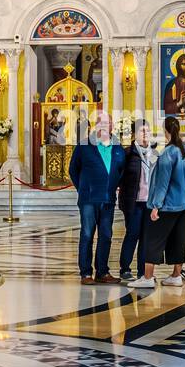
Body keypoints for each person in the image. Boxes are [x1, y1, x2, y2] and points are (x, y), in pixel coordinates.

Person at [130, 116, 185, 291]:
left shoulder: (167, 153)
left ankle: (148, 277)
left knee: (154, 239)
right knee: (178, 240)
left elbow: (162, 182)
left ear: (165, 131)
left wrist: (156, 205)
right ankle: (176, 275)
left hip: (168, 205)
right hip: (184, 203)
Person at [68, 111, 126, 285]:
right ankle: (86, 273)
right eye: (101, 122)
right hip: (88, 199)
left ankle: (102, 271)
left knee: (106, 235)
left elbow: (121, 170)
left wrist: (114, 184)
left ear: (112, 126)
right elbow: (73, 170)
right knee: (87, 234)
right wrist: (83, 188)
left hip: (108, 199)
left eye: (107, 123)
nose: (104, 126)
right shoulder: (84, 145)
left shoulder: (117, 147)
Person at [117, 120, 157, 282]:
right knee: (132, 234)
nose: (146, 133)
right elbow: (120, 176)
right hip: (133, 201)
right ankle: (125, 268)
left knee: (146, 237)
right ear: (134, 134)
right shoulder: (128, 154)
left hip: (149, 202)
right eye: (142, 131)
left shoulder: (154, 154)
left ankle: (142, 271)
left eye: (148, 130)